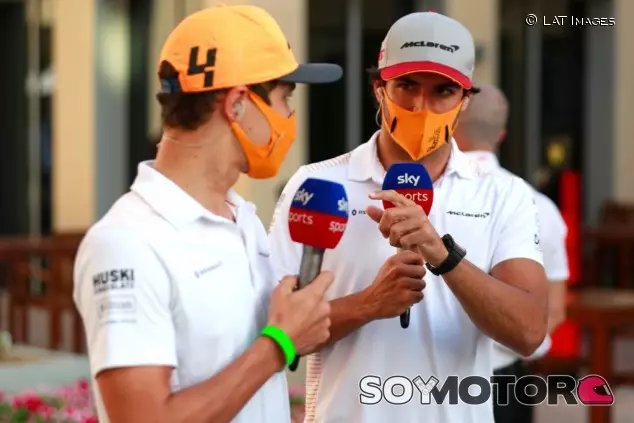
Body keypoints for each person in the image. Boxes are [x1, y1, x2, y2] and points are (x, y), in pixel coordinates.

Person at [268, 11, 548, 423]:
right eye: (407, 86)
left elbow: (529, 332)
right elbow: (274, 331)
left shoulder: (502, 193)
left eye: (443, 91)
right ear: (378, 89)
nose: (422, 106)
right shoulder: (316, 184)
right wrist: (368, 304)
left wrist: (443, 255)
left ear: (464, 101)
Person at [73, 5, 343, 423]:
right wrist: (279, 344)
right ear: (236, 104)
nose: (290, 118)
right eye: (284, 98)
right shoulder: (125, 242)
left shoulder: (244, 219)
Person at [453, 82, 569, 423]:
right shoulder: (541, 206)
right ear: (501, 135)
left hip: (431, 378)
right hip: (508, 380)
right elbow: (555, 311)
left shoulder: (425, 199)